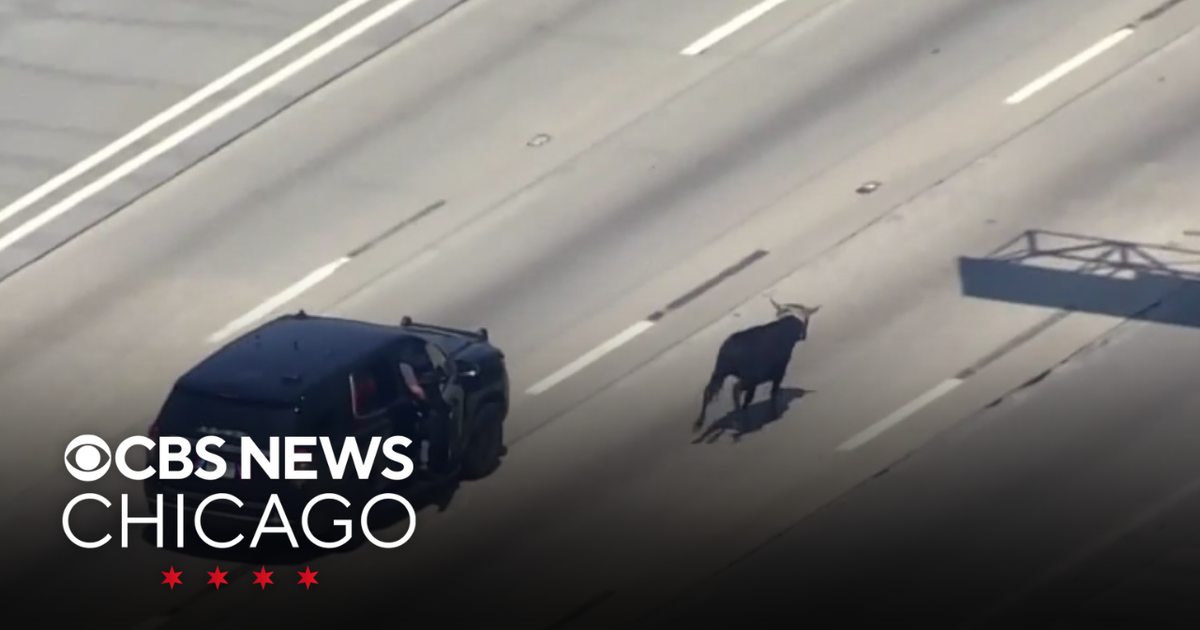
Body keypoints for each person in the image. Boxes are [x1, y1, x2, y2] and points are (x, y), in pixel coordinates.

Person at [398, 355, 456, 476]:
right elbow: (414, 388)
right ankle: (432, 466)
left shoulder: (406, 358)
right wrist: (429, 402)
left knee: (435, 432)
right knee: (435, 432)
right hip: (425, 402)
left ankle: (431, 464)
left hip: (422, 400)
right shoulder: (406, 362)